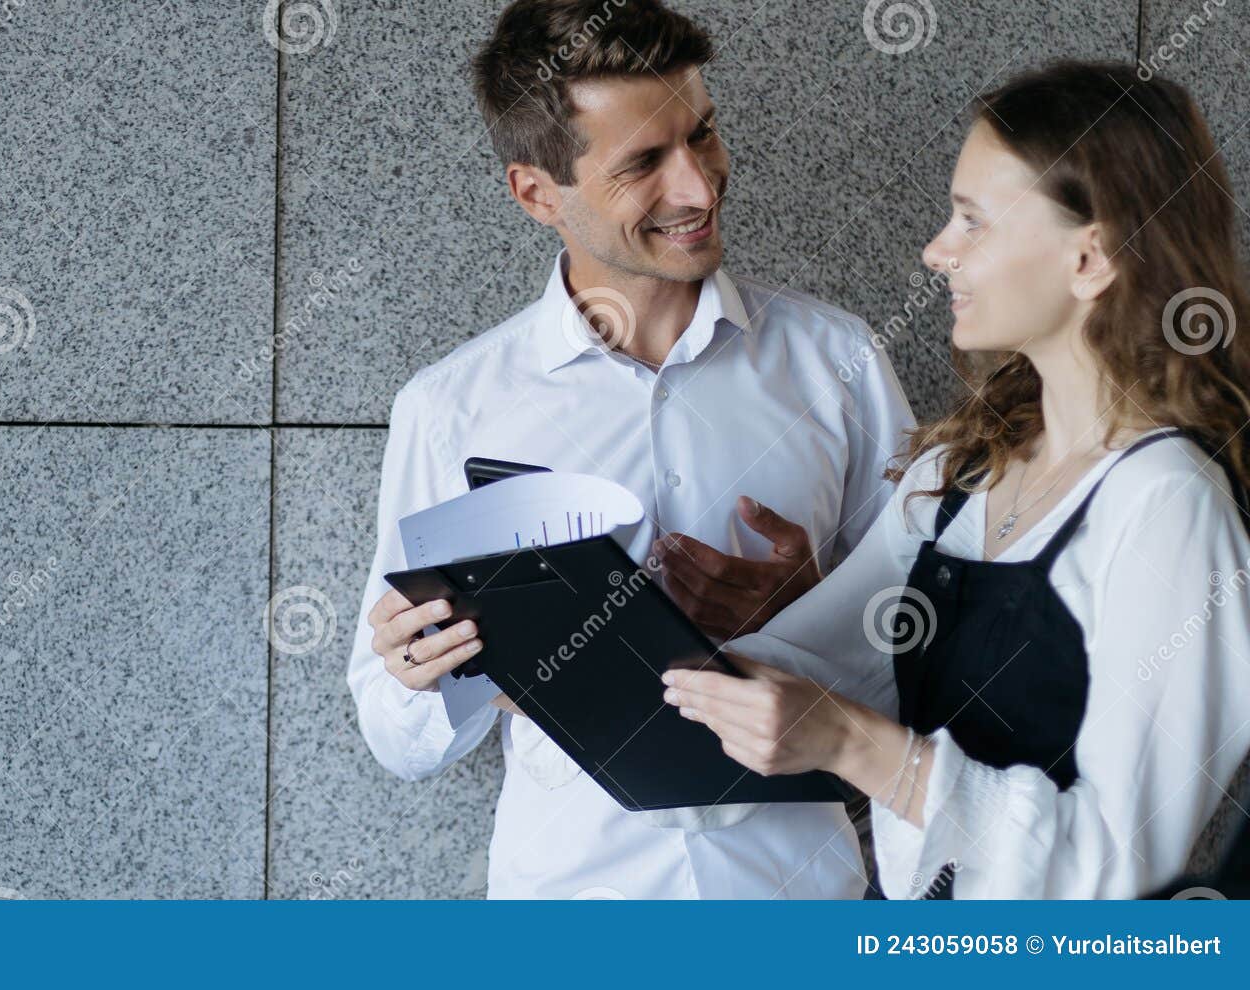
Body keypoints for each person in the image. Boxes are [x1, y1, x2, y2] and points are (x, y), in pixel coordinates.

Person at [348, 0, 913, 899]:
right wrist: (429, 674)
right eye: (644, 163)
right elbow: (393, 735)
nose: (699, 187)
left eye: (704, 135)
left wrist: (817, 614)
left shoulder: (837, 362)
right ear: (538, 193)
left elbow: (950, 662)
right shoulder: (452, 408)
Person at [662, 60, 1250, 898]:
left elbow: (1122, 870)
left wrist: (858, 746)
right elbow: (804, 662)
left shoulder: (1168, 509)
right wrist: (561, 657)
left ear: (1091, 258)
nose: (936, 251)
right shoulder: (953, 478)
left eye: (973, 222)